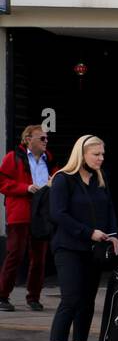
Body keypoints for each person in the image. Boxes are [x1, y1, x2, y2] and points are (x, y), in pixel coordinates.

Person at [43, 134, 118, 341]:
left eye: (102, 154)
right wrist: (89, 232)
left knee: (87, 301)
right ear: (82, 155)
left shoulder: (99, 179)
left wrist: (113, 234)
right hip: (68, 247)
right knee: (71, 298)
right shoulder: (63, 180)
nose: (101, 158)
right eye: (96, 154)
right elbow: (58, 214)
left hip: (94, 249)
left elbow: (109, 209)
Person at [0, 125, 54, 312]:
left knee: (39, 258)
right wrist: (25, 188)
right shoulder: (13, 157)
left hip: (41, 214)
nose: (46, 141)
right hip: (20, 213)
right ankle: (2, 296)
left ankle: (33, 297)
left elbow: (58, 176)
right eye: (42, 138)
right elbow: (3, 182)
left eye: (47, 138)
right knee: (15, 254)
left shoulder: (49, 158)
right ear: (28, 139)